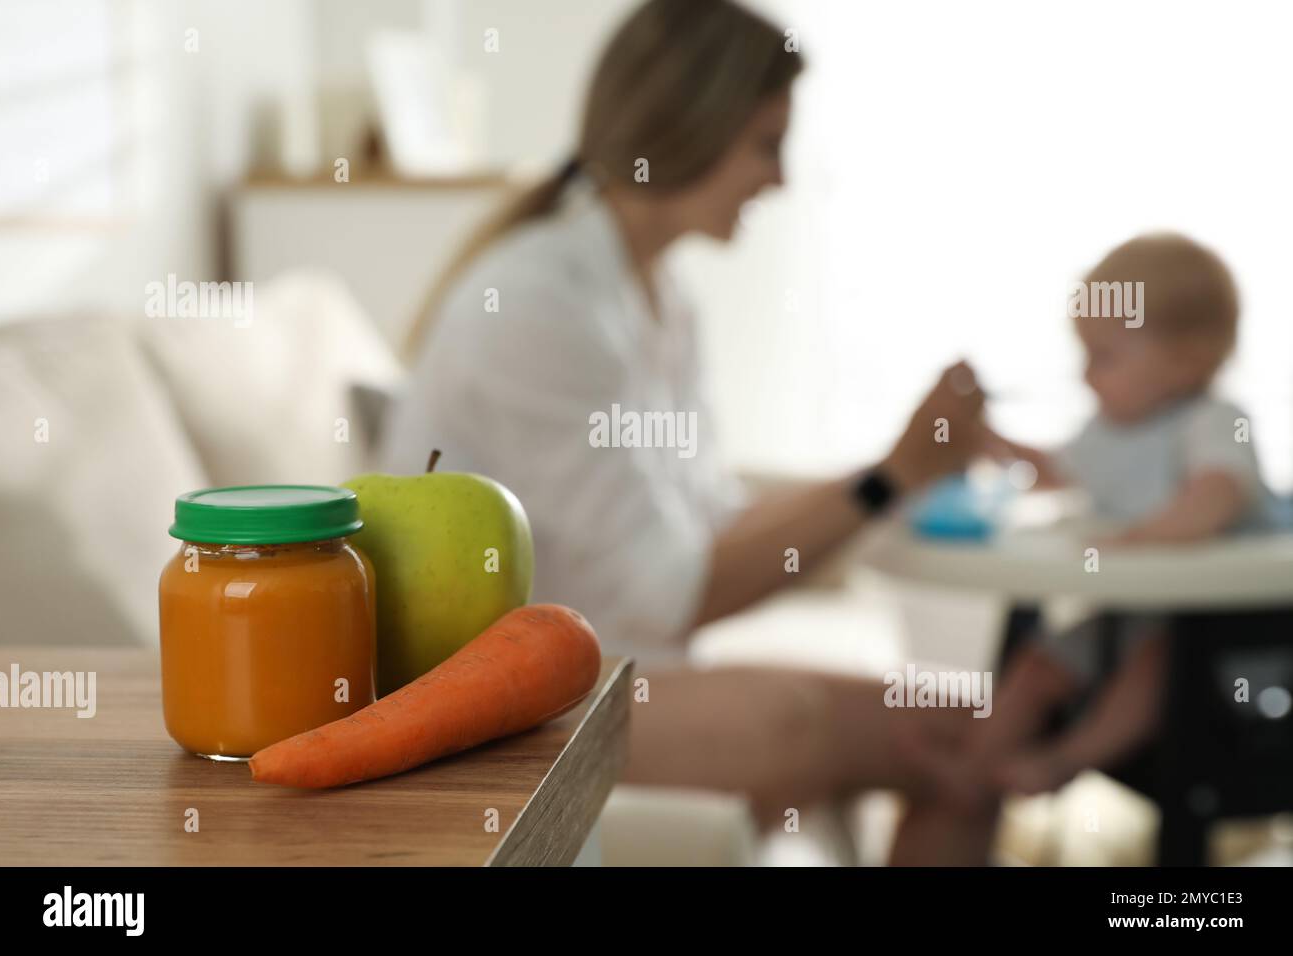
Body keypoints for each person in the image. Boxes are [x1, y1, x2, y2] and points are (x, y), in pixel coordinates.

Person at [381, 0, 997, 832]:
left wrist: (903, 475)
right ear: (686, 131)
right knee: (935, 738)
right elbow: (678, 594)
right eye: (766, 146)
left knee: (967, 728)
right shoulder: (536, 306)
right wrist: (891, 477)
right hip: (518, 705)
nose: (779, 180)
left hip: (609, 668)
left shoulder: (660, 298)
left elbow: (711, 525)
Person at [892, 233, 1273, 865]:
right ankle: (968, 771)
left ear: (1186, 359)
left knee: (1157, 665)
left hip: (1222, 643)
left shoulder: (1216, 421)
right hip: (1133, 618)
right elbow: (1056, 472)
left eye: (1104, 356)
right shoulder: (1111, 431)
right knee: (1039, 667)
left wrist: (1139, 539)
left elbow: (1218, 496)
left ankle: (1063, 761)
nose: (1085, 374)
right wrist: (987, 440)